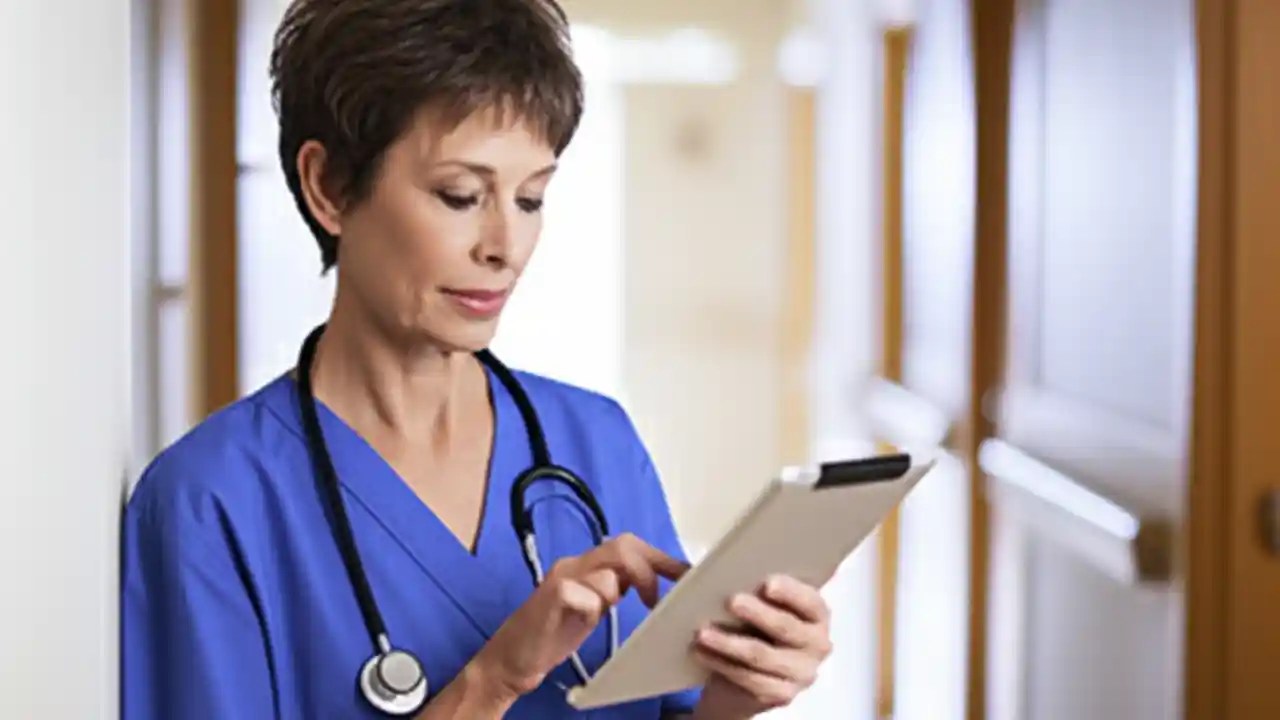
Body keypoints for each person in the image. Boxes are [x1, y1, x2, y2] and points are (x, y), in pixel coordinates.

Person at [121, 0, 834, 717]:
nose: (506, 247)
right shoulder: (210, 503)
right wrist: (492, 680)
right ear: (329, 187)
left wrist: (737, 695)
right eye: (460, 196)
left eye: (530, 199)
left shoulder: (595, 441)